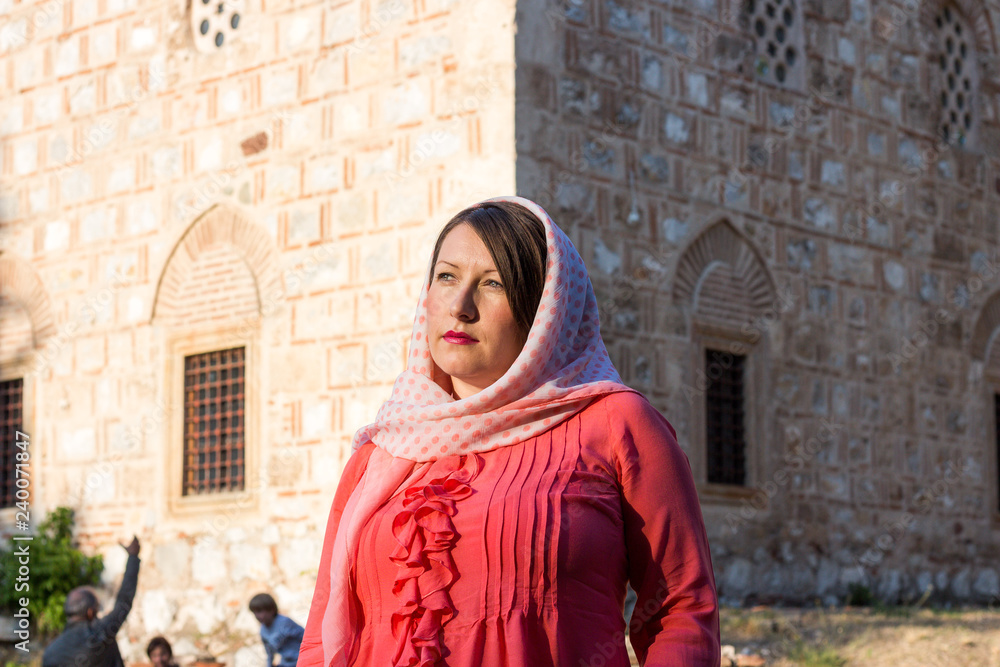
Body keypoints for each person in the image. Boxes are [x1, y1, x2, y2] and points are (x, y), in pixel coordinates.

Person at [299, 196, 720, 666]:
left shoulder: (616, 424)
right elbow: (321, 635)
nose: (460, 306)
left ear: (543, 310)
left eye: (493, 283)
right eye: (447, 276)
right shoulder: (381, 452)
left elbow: (680, 610)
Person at [42, 536, 141, 667]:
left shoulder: (50, 652)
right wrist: (133, 557)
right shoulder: (100, 634)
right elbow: (124, 602)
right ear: (90, 612)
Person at [250, 592, 305, 666]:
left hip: (301, 660)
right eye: (254, 612)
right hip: (286, 663)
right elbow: (269, 653)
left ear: (271, 609)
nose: (257, 615)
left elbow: (305, 636)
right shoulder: (263, 631)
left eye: (259, 611)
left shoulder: (284, 622)